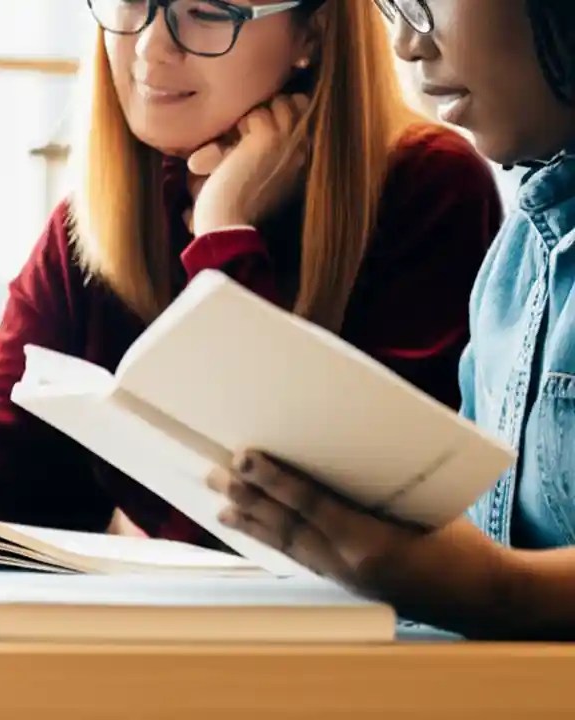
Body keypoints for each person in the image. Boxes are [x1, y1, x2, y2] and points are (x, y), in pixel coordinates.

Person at [0, 0, 502, 544]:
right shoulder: (100, 221)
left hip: (344, 645)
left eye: (207, 12)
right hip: (177, 637)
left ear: (313, 31)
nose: (151, 48)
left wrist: (224, 233)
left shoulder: (427, 188)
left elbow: (275, 511)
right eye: (132, 2)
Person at [207, 0, 575, 640]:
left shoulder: (429, 182)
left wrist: (495, 588)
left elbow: (483, 581)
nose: (406, 44)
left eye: (427, 2)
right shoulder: (516, 256)